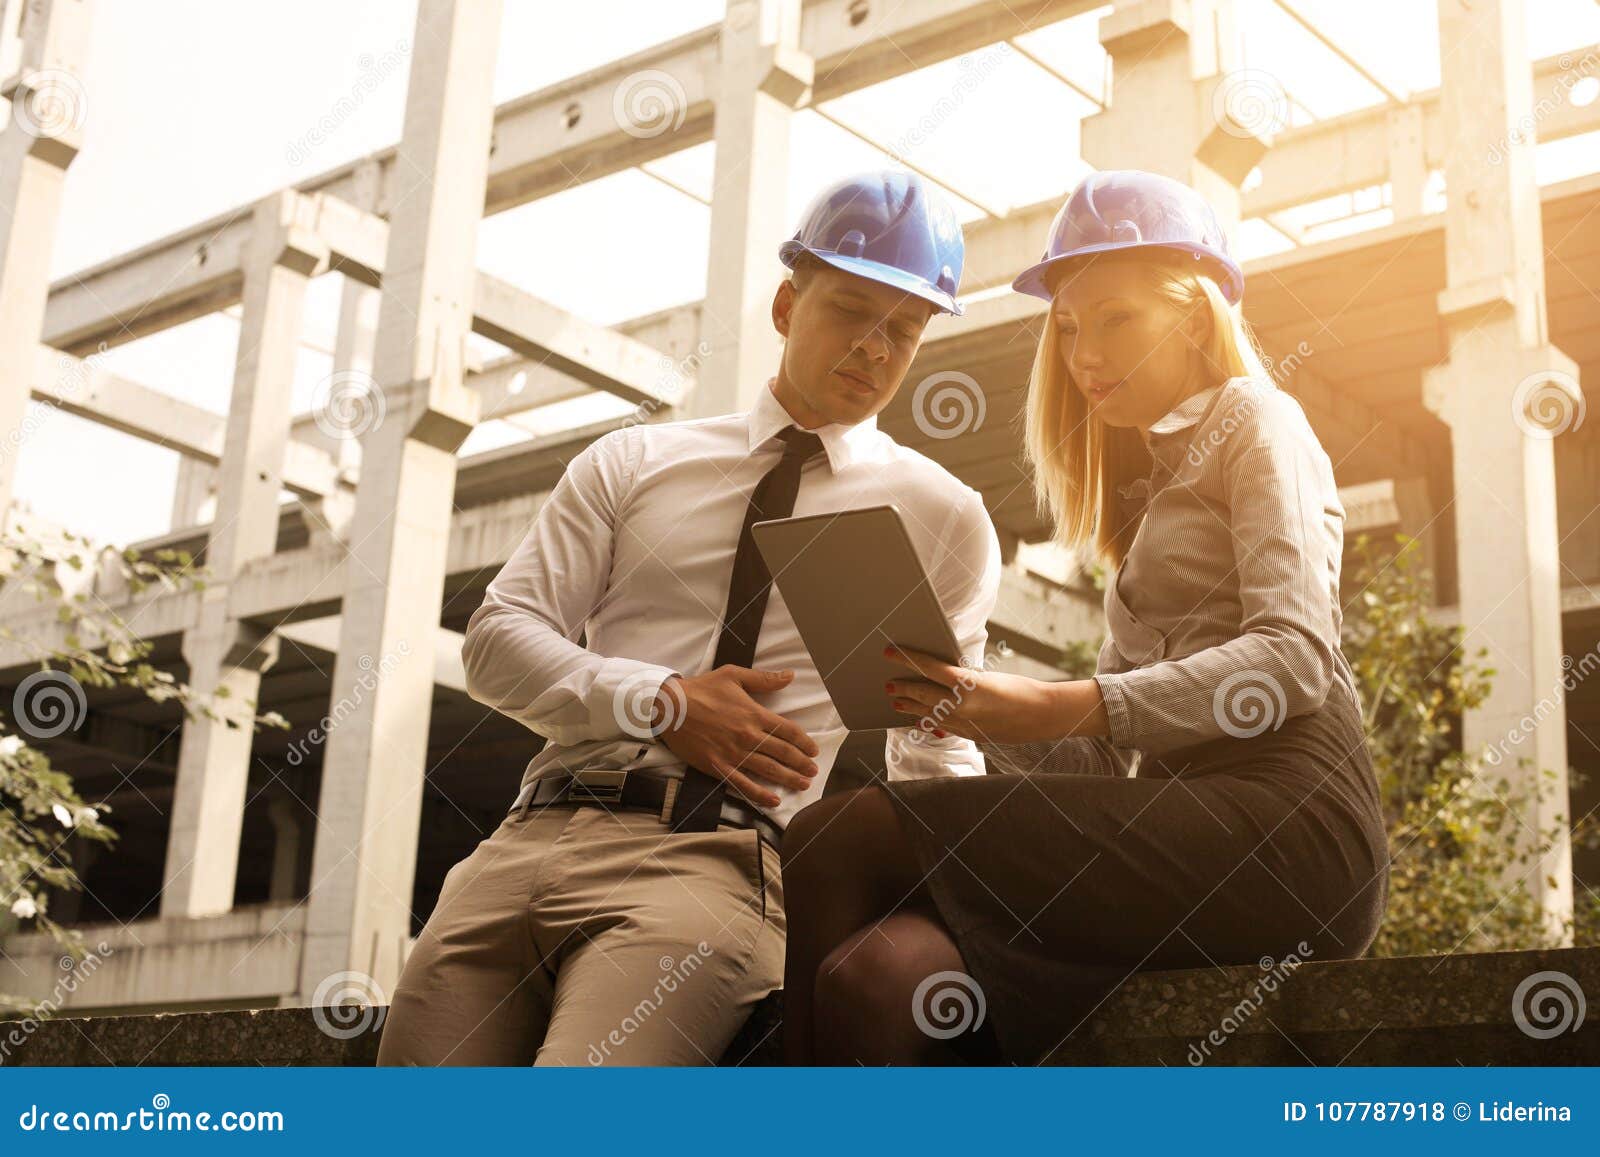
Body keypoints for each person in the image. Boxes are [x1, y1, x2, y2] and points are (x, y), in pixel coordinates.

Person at [375, 169, 1004, 1066]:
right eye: (850, 310)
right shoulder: (634, 461)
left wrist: (979, 913)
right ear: (786, 306)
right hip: (518, 846)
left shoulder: (939, 515)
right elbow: (496, 641)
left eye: (904, 330)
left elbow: (934, 746)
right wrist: (663, 700)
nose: (874, 347)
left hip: (714, 863)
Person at [778, 169, 1391, 1066]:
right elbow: (1108, 757)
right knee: (883, 974)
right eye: (1067, 327)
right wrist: (956, 702)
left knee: (835, 837)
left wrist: (1049, 704)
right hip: (1180, 824)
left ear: (1195, 318)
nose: (1084, 354)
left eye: (1115, 320)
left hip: (1290, 826)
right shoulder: (1149, 486)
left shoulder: (1260, 418)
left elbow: (1294, 658)